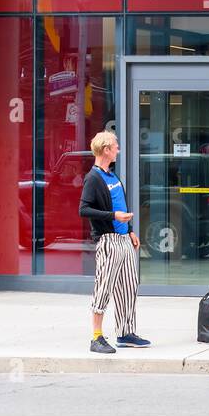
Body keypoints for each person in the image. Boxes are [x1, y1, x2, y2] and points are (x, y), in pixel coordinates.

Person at [78, 131, 150, 355]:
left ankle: (125, 333)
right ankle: (96, 337)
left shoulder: (112, 176)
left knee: (129, 287)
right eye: (115, 146)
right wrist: (113, 216)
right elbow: (84, 209)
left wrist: (129, 231)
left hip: (124, 240)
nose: (118, 149)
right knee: (104, 288)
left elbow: (120, 204)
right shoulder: (93, 178)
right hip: (108, 240)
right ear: (105, 149)